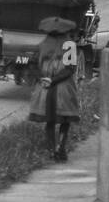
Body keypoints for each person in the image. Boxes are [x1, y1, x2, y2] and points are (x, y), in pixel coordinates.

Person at [28, 17, 80, 163]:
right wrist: (54, 80)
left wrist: (42, 78)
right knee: (65, 119)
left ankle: (51, 150)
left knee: (49, 120)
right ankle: (60, 148)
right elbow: (70, 69)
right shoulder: (70, 45)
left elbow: (32, 64)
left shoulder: (42, 44)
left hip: (44, 88)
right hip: (63, 87)